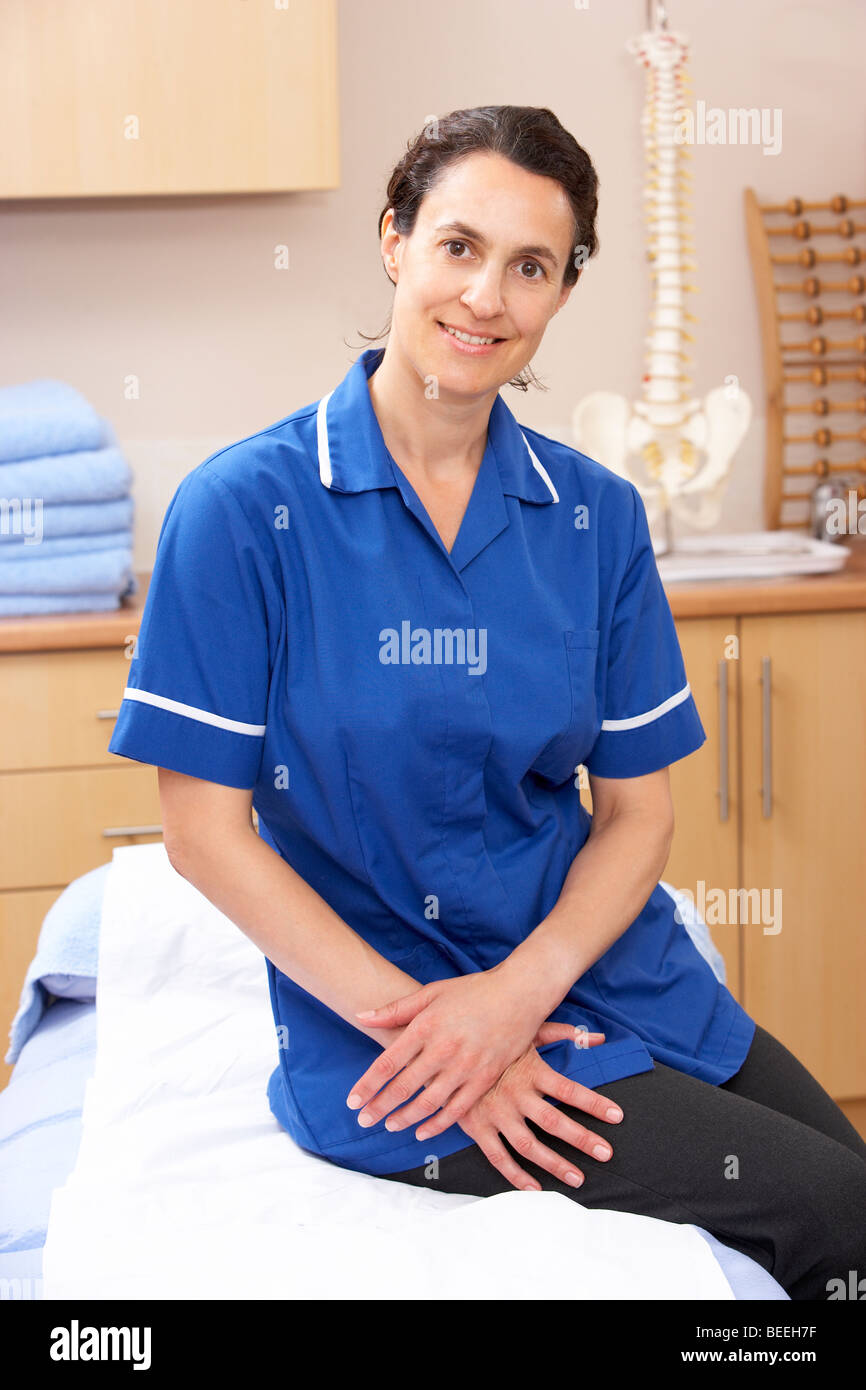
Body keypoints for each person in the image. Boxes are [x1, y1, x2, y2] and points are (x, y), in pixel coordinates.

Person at [108, 106, 866, 1300]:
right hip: (389, 1039)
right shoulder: (242, 510)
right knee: (830, 1215)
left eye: (530, 267)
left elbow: (634, 816)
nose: (485, 297)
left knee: (853, 1187)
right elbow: (205, 835)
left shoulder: (593, 517)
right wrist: (443, 1035)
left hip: (599, 970)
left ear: (563, 291)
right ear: (393, 240)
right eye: (458, 246)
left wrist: (513, 998)